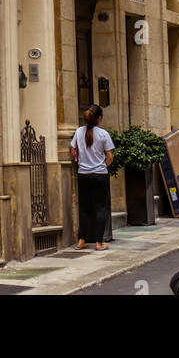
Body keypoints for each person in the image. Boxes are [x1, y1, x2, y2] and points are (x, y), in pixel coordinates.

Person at [70, 104, 114, 249]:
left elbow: (73, 151)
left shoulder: (78, 132)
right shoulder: (103, 134)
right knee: (100, 208)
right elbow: (109, 156)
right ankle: (98, 243)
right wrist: (102, 166)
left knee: (84, 208)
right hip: (100, 175)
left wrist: (83, 162)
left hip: (83, 174)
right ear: (99, 118)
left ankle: (81, 241)